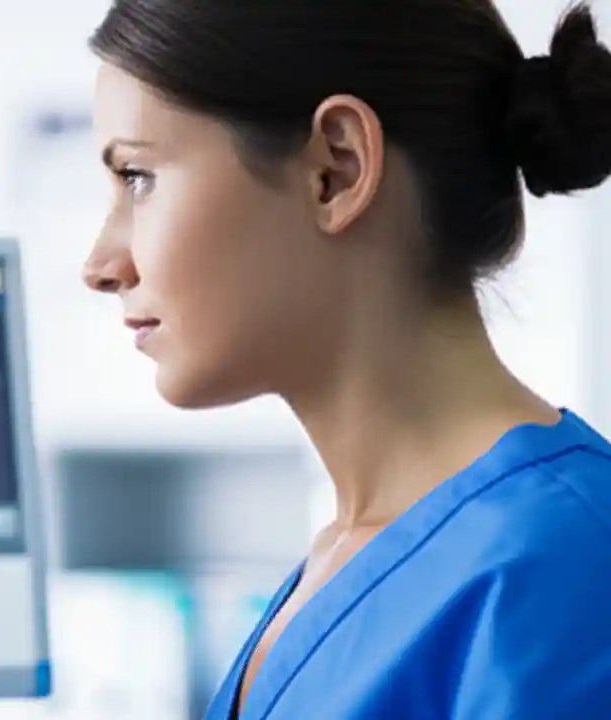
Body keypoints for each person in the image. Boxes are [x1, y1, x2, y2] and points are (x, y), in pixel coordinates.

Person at [81, 0, 611, 717]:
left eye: (138, 178)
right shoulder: (339, 567)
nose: (101, 264)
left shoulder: (565, 571)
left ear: (336, 168)